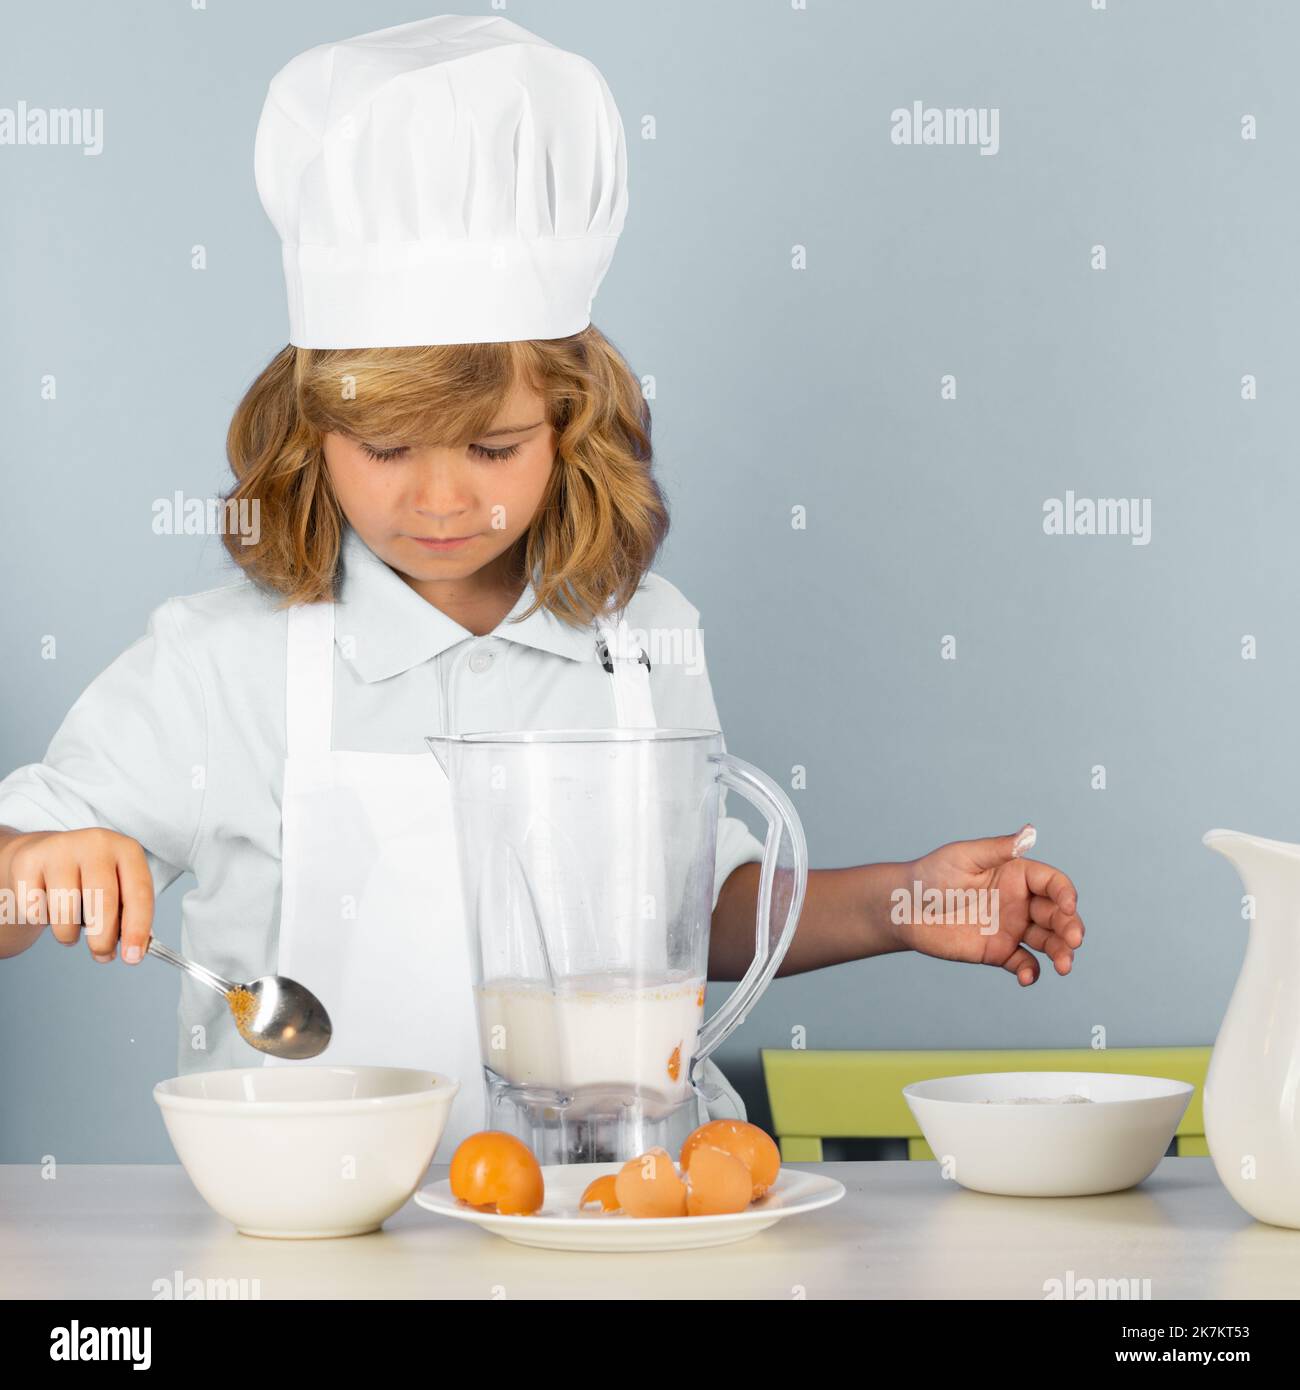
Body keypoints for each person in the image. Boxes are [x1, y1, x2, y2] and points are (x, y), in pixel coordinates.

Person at [0, 15, 1084, 1154]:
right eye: (387, 452)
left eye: (491, 449)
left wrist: (906, 901)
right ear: (310, 435)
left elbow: (688, 914)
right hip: (317, 1235)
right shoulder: (221, 665)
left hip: (614, 1213)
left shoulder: (643, 639)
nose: (438, 502)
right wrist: (38, 867)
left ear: (572, 427)